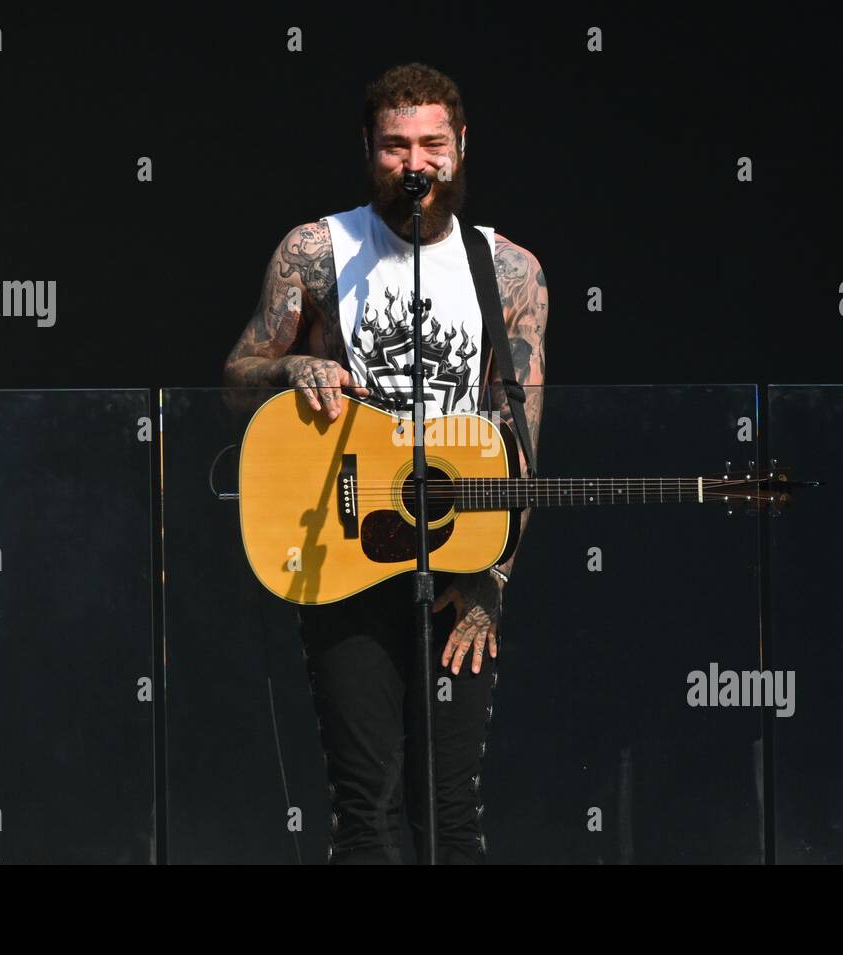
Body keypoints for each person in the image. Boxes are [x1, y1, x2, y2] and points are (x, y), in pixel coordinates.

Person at [223, 62, 548, 863]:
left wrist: (491, 586)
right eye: (397, 145)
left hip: (459, 557)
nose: (416, 163)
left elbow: (522, 446)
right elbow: (236, 375)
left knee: (451, 810)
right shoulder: (317, 249)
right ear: (369, 149)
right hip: (344, 548)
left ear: (461, 147)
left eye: (432, 144)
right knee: (364, 808)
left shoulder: (508, 270)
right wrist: (290, 368)